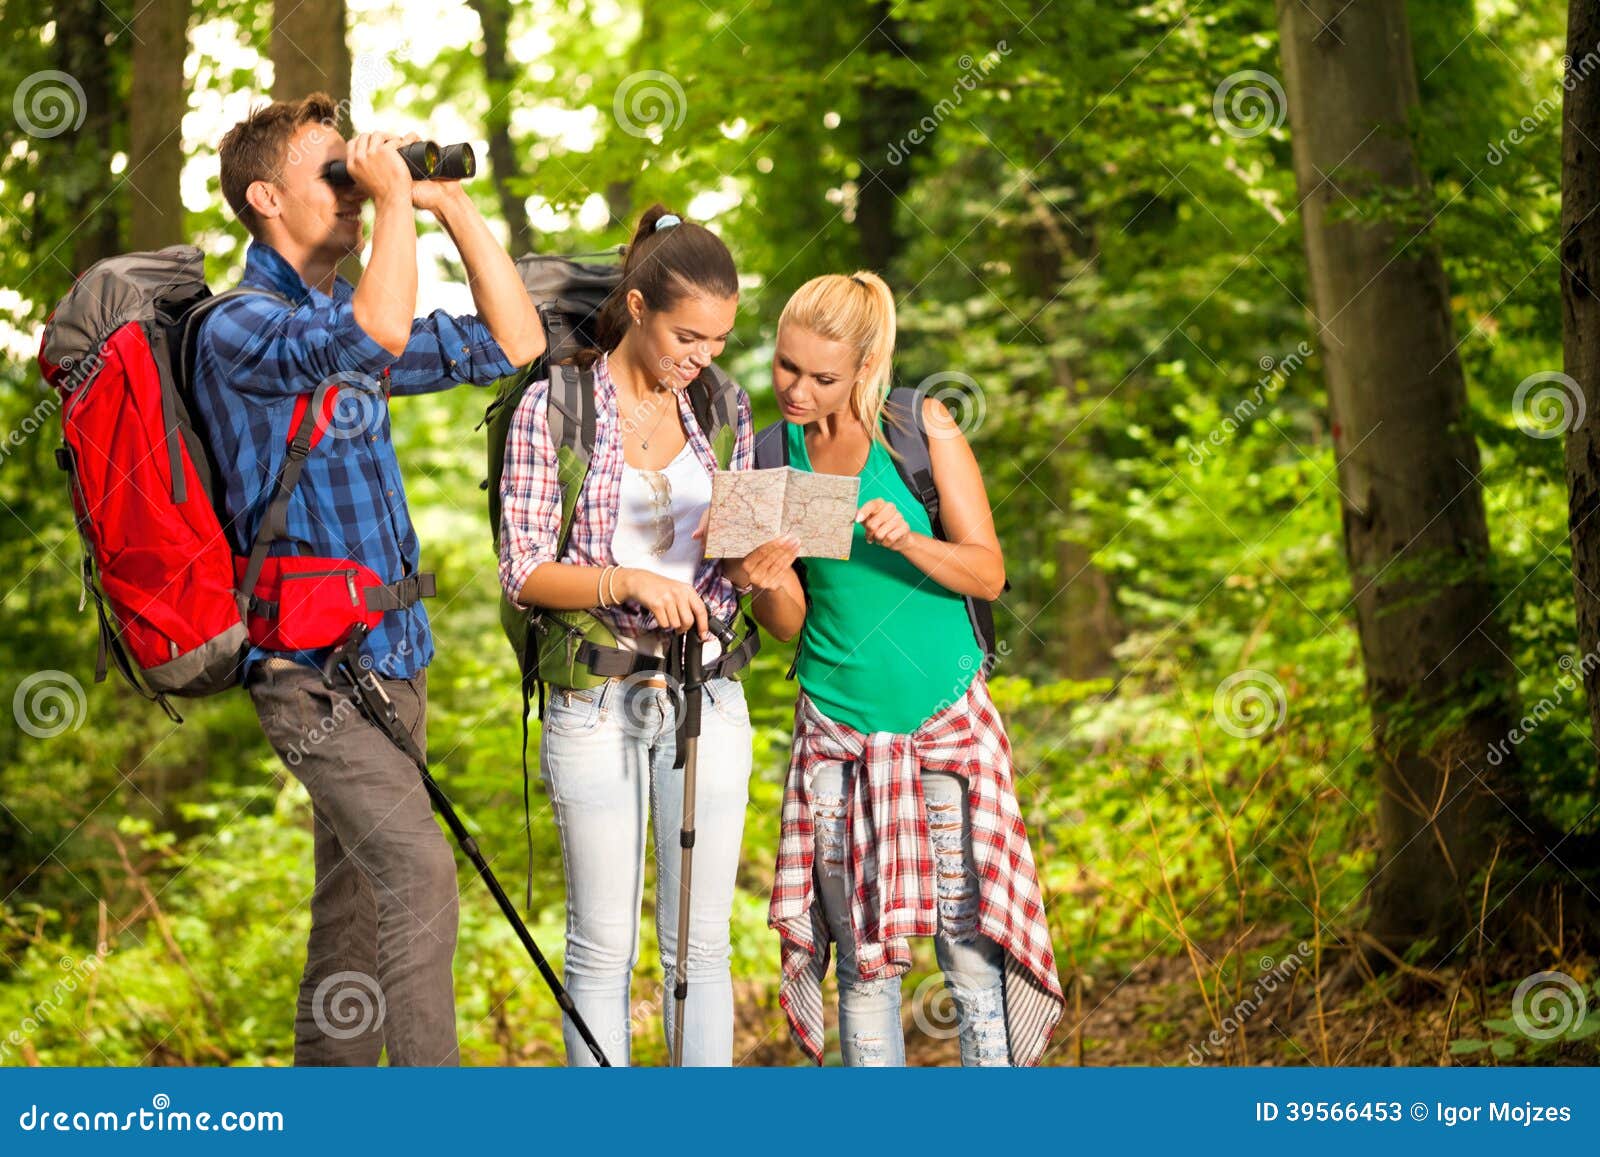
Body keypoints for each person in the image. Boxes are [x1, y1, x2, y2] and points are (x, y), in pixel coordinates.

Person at [192, 93, 543, 1066]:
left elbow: (511, 343)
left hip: (391, 656)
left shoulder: (340, 311)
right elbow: (373, 339)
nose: (351, 193)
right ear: (265, 197)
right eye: (332, 176)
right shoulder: (240, 327)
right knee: (420, 872)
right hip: (306, 670)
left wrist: (448, 207)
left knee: (353, 901)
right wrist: (390, 205)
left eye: (355, 175)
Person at [497, 204, 793, 1066]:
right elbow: (521, 570)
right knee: (601, 948)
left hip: (710, 694)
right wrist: (626, 580)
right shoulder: (558, 406)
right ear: (636, 308)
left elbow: (730, 573)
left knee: (700, 948)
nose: (702, 356)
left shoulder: (724, 405)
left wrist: (749, 568)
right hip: (595, 699)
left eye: (719, 339)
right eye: (687, 336)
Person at [752, 271, 1064, 1066]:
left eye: (822, 376)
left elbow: (988, 573)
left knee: (967, 949)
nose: (796, 387)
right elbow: (789, 622)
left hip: (943, 721)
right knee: (864, 961)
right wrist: (768, 579)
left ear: (864, 367)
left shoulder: (917, 426)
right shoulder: (765, 454)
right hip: (835, 727)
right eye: (787, 366)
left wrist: (907, 539)